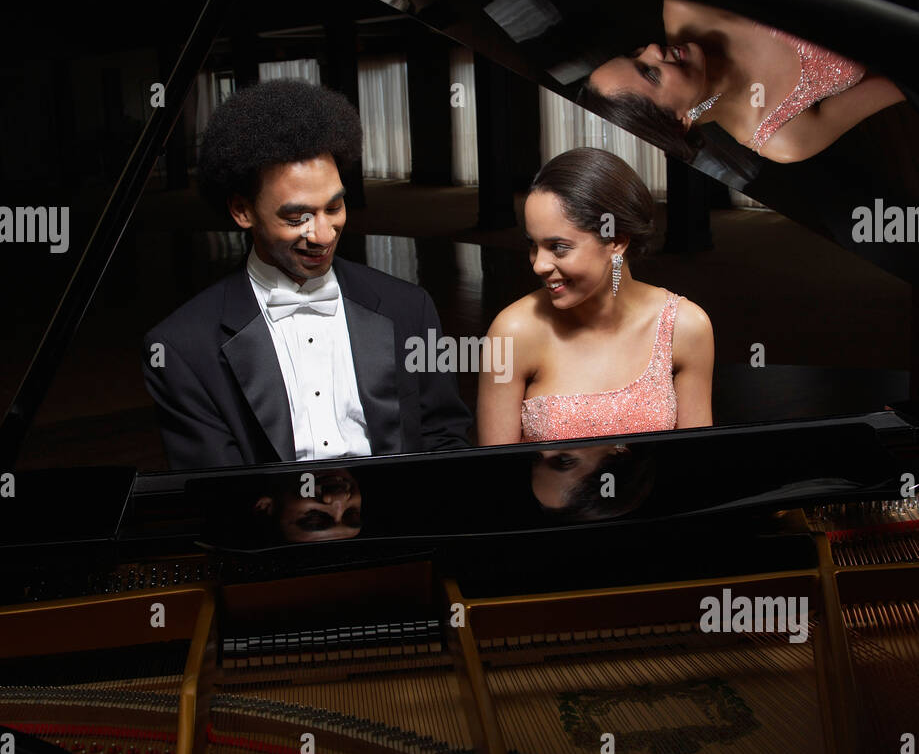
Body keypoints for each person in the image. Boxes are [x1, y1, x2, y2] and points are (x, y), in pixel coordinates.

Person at [143, 79, 471, 469]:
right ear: (242, 211)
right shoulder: (181, 346)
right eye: (297, 217)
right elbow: (218, 490)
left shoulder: (409, 308)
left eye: (334, 208)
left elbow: (444, 440)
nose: (323, 235)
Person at [476, 147, 713, 445]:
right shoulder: (512, 333)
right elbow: (497, 476)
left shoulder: (686, 326)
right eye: (533, 246)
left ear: (616, 241)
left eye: (558, 247)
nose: (539, 264)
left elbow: (696, 464)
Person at [579, 0, 905, 164]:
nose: (652, 49)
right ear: (680, 124)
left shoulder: (686, 4)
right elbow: (900, 80)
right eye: (650, 73)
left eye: (636, 53)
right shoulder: (782, 139)